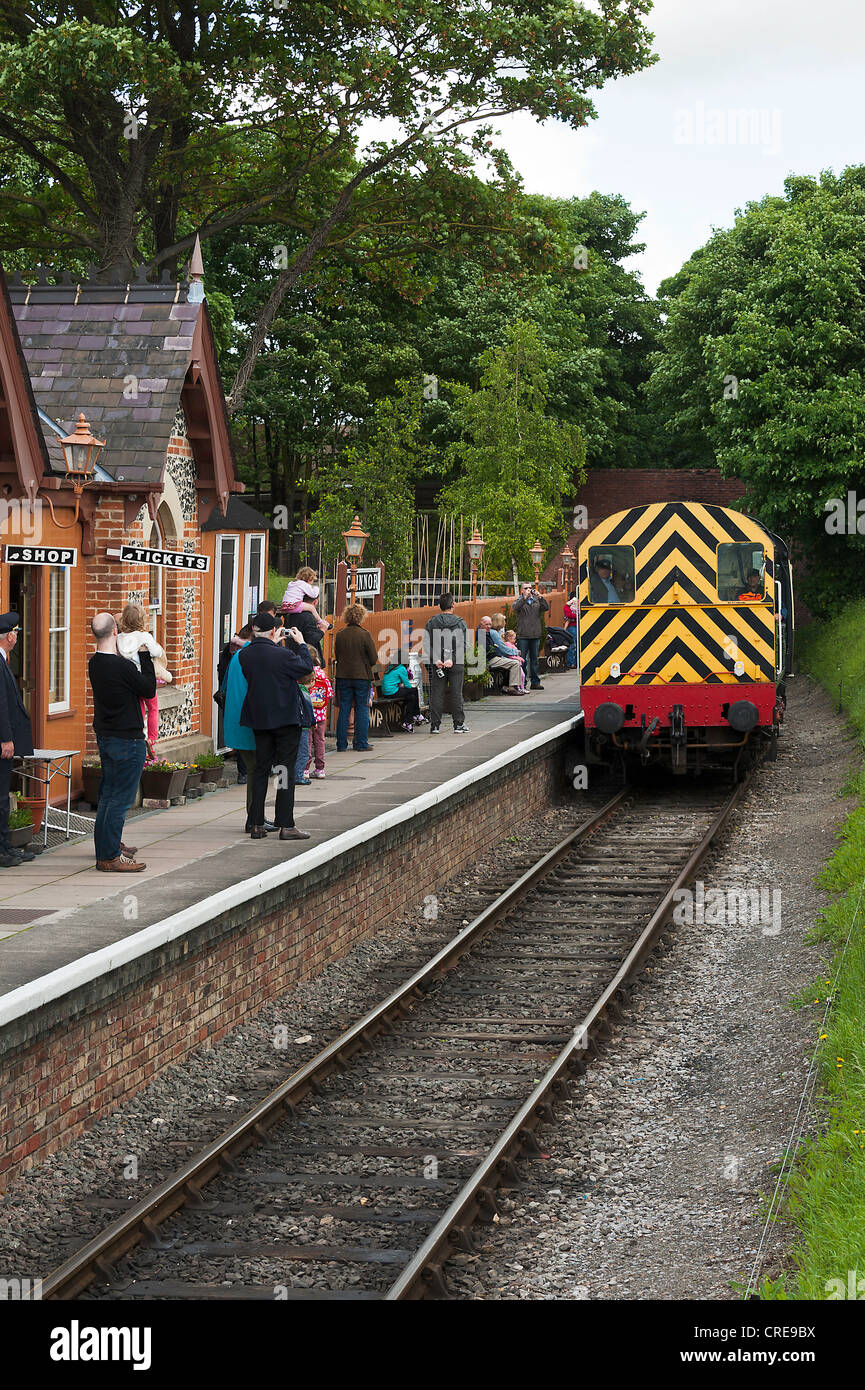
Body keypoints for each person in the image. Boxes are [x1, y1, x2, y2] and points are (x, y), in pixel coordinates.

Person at [88, 611, 156, 872]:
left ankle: (108, 850)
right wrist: (145, 653)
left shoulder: (95, 663)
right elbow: (149, 689)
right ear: (115, 632)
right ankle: (109, 857)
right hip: (127, 739)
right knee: (120, 800)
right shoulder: (123, 667)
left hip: (106, 737)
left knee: (107, 797)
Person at [239, 612, 315, 840]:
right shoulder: (282, 654)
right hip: (285, 721)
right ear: (274, 631)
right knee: (283, 770)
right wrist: (300, 643)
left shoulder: (245, 655)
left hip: (260, 720)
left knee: (261, 770)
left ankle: (256, 823)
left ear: (254, 630)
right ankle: (286, 824)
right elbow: (306, 667)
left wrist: (272, 642)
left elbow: (263, 661)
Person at [222, 624, 277, 834]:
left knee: (255, 770)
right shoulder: (254, 658)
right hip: (250, 721)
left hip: (237, 719)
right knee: (257, 771)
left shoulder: (239, 657)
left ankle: (255, 816)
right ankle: (255, 818)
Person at [0, 611, 36, 870]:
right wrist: (6, 739)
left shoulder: (3, 660)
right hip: (1, 743)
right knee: (0, 797)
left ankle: (4, 845)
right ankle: (1, 850)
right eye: (16, 632)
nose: (16, 637)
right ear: (9, 636)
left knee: (2, 796)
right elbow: (0, 705)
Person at [116, 603, 172, 759]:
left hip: (130, 681)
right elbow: (157, 651)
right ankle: (152, 739)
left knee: (139, 707)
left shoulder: (119, 639)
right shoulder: (145, 637)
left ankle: (140, 735)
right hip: (146, 679)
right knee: (153, 707)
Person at [333, 603, 378, 751]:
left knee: (344, 709)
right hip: (362, 677)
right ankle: (361, 743)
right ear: (361, 616)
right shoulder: (365, 634)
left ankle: (341, 744)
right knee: (362, 709)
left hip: (343, 676)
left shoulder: (340, 634)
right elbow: (373, 658)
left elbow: (338, 655)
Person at [425, 592, 469, 733]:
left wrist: (436, 658)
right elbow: (464, 645)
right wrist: (452, 659)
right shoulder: (460, 622)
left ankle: (435, 725)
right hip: (456, 663)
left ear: (440, 606)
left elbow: (426, 644)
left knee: (437, 693)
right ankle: (458, 725)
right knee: (456, 693)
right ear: (453, 605)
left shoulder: (432, 622)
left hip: (438, 662)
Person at [513, 582, 549, 691]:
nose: (529, 589)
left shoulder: (536, 600)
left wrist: (540, 597)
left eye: (530, 588)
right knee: (522, 660)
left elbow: (546, 607)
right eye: (526, 588)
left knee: (535, 660)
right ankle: (522, 683)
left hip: (535, 634)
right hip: (523, 635)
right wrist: (524, 598)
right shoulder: (519, 601)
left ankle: (535, 682)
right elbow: (515, 607)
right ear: (522, 590)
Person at [305, 650, 334, 778]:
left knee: (307, 741)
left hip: (306, 714)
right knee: (320, 741)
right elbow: (329, 694)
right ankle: (320, 769)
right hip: (321, 714)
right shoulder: (322, 674)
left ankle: (305, 768)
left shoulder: (304, 673)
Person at [478, 615, 523, 694]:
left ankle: (511, 687)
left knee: (515, 662)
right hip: (490, 659)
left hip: (494, 657)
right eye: (486, 625)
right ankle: (512, 688)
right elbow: (489, 650)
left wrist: (495, 648)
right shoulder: (482, 634)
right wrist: (496, 648)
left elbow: (496, 647)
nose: (488, 626)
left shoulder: (487, 633)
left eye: (490, 624)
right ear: (481, 625)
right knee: (515, 663)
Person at [381, 658, 423, 730]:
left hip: (386, 692)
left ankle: (407, 722)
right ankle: (416, 714)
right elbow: (407, 685)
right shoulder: (401, 668)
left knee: (411, 697)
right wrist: (407, 687)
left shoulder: (391, 667)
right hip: (392, 692)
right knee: (414, 690)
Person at [293, 660, 317, 786]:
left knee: (294, 752)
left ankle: (292, 774)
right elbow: (309, 709)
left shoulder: (294, 689)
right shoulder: (305, 692)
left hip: (294, 725)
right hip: (303, 726)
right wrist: (313, 721)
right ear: (311, 681)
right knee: (303, 753)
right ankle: (298, 776)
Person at [563, 590, 578, 669]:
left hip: (577, 626)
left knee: (578, 646)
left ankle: (576, 662)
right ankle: (571, 663)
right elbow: (569, 615)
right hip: (572, 626)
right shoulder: (567, 606)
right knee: (572, 645)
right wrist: (577, 615)